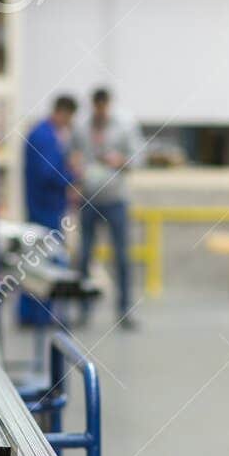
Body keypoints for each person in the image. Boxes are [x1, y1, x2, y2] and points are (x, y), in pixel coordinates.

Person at [72, 87, 142, 328]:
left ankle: (124, 311)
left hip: (115, 199)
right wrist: (76, 168)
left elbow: (137, 158)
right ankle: (83, 310)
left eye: (104, 106)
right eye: (97, 106)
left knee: (121, 257)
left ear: (109, 105)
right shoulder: (82, 128)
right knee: (84, 256)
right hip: (89, 198)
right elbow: (71, 155)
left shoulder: (123, 127)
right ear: (93, 105)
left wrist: (120, 160)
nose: (100, 111)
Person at [23, 94, 78, 233]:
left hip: (44, 205)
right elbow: (49, 174)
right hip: (45, 207)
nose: (69, 124)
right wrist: (74, 175)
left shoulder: (43, 132)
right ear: (64, 113)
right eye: (69, 119)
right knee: (48, 243)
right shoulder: (45, 137)